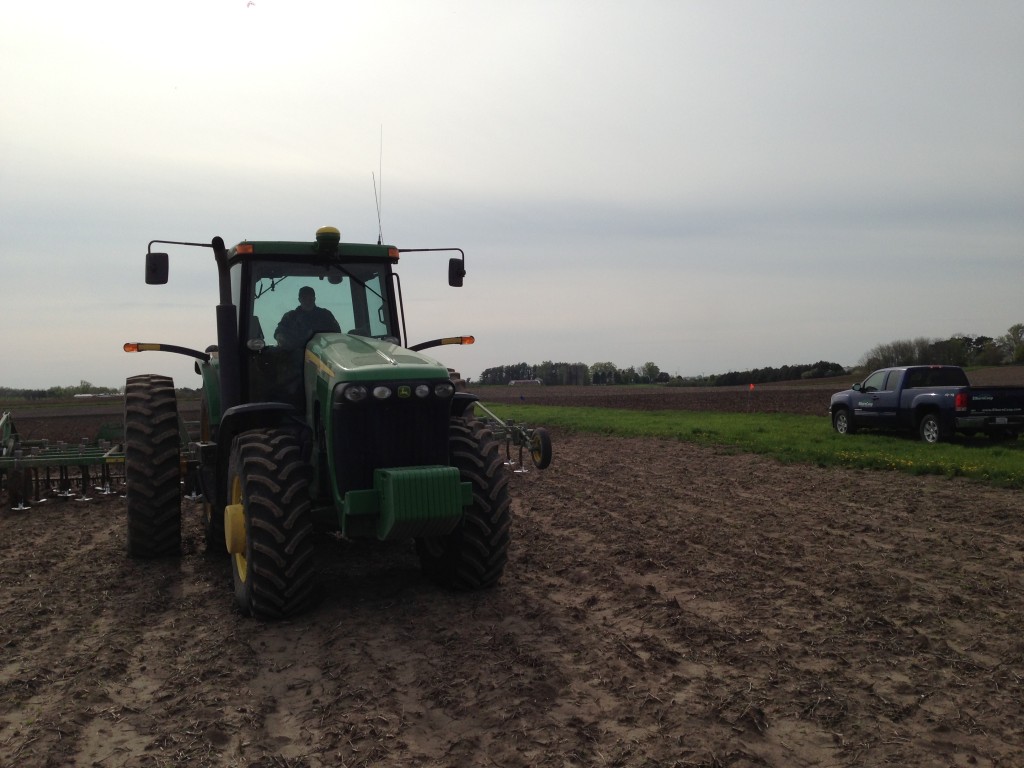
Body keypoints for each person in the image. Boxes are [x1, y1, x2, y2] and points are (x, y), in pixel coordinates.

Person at [274, 286, 341, 349]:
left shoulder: (325, 315)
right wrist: (280, 337)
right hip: (294, 356)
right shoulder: (290, 317)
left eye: (310, 298)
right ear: (299, 300)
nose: (307, 301)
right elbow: (279, 333)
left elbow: (337, 333)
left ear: (314, 299)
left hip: (321, 354)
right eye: (304, 298)